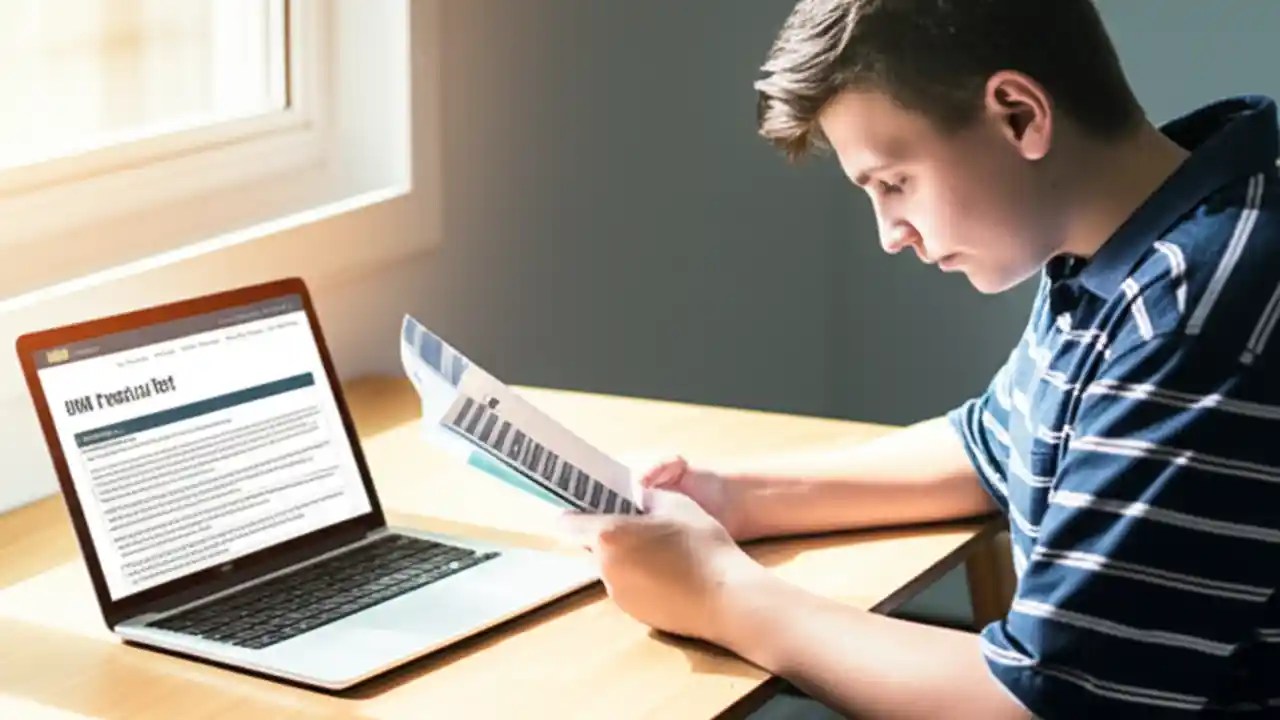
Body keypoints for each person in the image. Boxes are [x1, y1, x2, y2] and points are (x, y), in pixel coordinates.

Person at [558, 1, 1280, 717]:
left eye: (894, 182)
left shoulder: (1192, 317)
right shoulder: (1137, 242)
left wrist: (718, 592)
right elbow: (995, 443)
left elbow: (1041, 704)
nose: (890, 234)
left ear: (1019, 116)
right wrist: (733, 496)